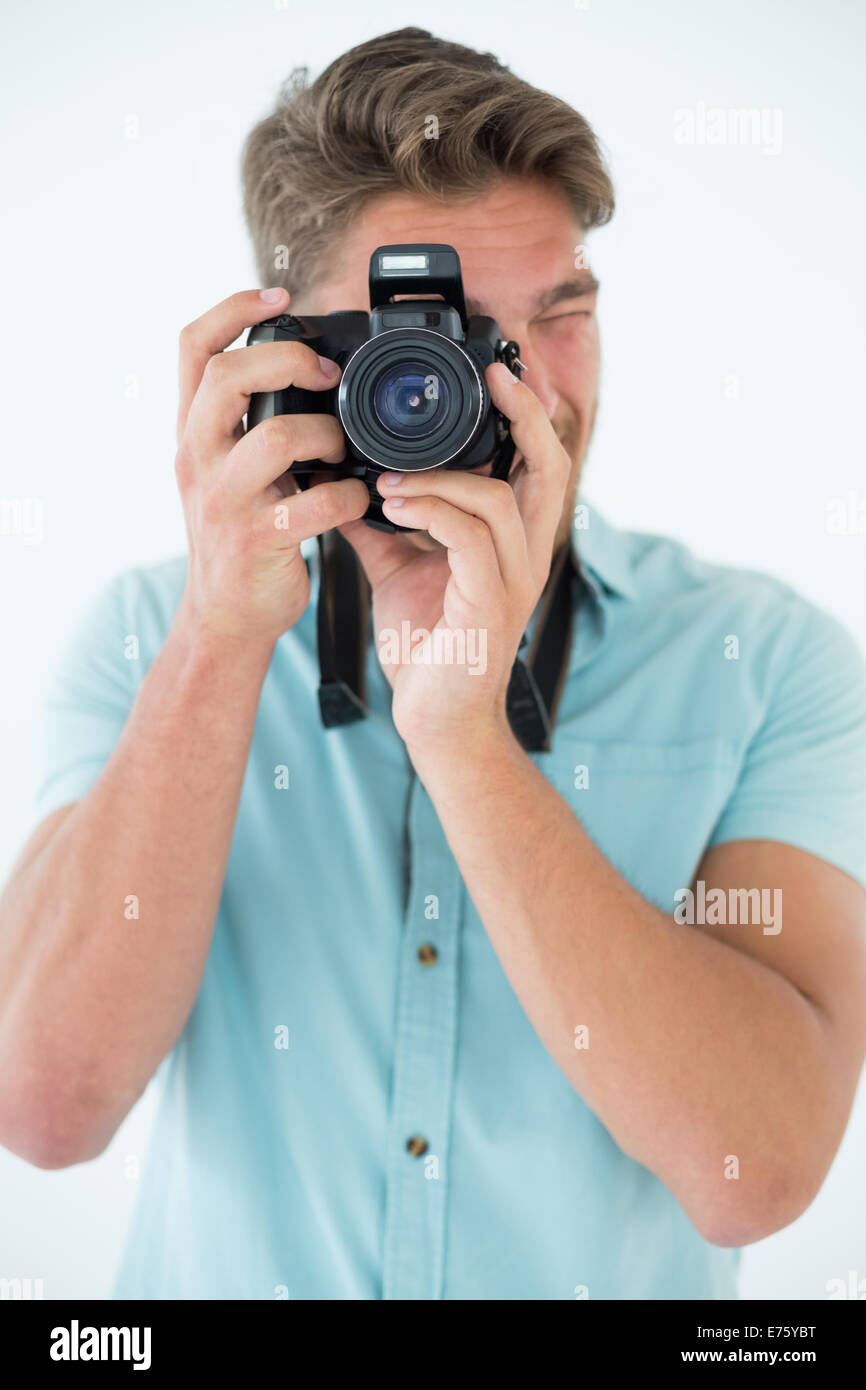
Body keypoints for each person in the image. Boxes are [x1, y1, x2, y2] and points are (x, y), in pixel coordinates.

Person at [1, 27, 864, 1301]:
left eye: (556, 321)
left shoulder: (763, 659)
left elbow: (754, 1167)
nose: (519, 395)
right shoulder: (148, 639)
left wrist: (461, 730)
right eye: (443, 341)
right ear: (288, 352)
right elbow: (44, 1109)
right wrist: (218, 643)